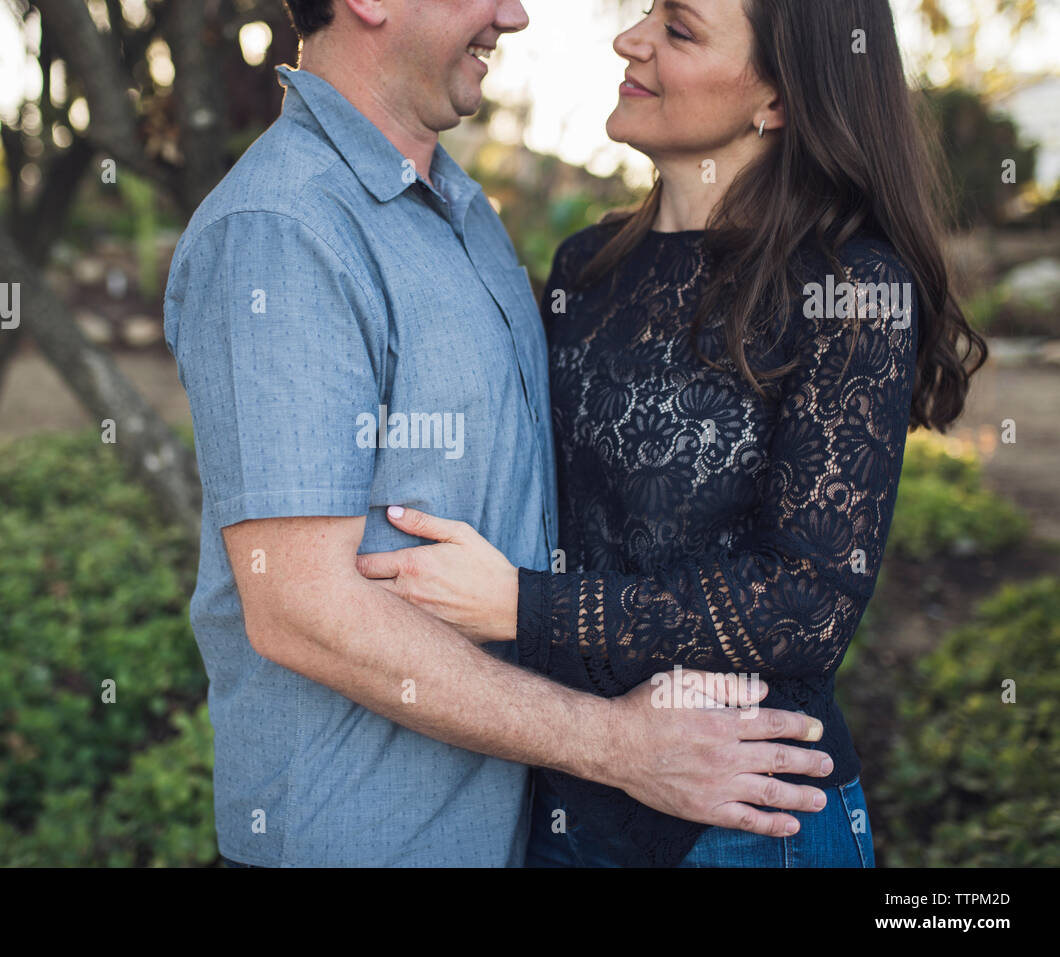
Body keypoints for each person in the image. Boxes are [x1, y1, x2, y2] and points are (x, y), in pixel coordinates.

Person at [163, 0, 834, 868]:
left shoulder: (461, 212)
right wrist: (618, 745)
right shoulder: (280, 229)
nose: (513, 15)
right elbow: (300, 608)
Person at [356, 0, 987, 866]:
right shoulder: (585, 265)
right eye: (648, 10)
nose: (631, 38)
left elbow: (807, 603)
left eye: (680, 30)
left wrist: (520, 604)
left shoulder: (850, 289)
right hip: (563, 802)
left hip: (747, 820)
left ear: (781, 100)